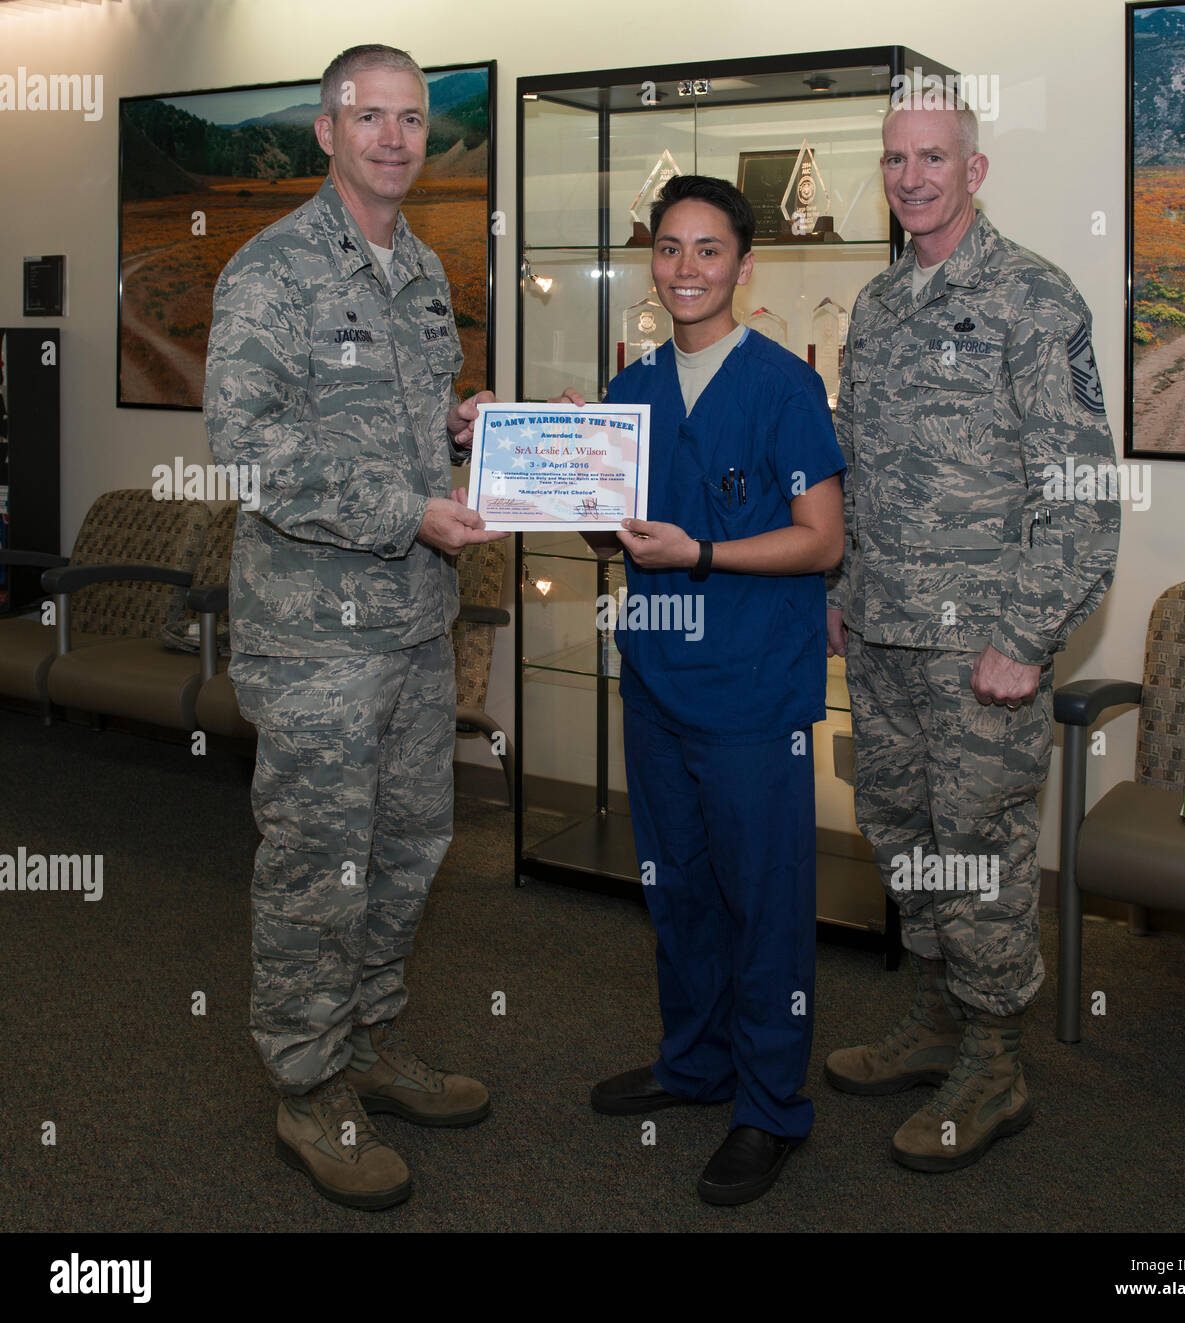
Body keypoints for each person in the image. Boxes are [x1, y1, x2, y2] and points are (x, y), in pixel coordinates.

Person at [205, 44, 506, 1211]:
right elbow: (248, 446)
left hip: (414, 625)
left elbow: (386, 421)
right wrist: (405, 506)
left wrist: (460, 422)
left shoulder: (422, 269)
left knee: (407, 850)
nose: (393, 137)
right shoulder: (272, 270)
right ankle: (304, 1084)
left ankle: (369, 1042)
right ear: (327, 132)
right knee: (316, 870)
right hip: (316, 640)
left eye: (411, 120)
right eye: (367, 117)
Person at [824, 96, 1120, 1171]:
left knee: (981, 850)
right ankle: (940, 1016)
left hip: (983, 647)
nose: (910, 178)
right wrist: (842, 587)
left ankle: (995, 1061)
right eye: (895, 159)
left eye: (932, 158)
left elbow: (1081, 487)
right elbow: (854, 460)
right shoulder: (876, 300)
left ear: (974, 166)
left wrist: (1028, 633)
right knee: (903, 834)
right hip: (887, 632)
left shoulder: (1031, 296)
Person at [558, 174, 845, 1205]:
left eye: (708, 250)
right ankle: (696, 1063)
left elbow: (822, 541)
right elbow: (615, 536)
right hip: (656, 677)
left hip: (752, 695)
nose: (686, 268)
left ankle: (771, 1106)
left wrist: (704, 553)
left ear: (743, 265)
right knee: (674, 890)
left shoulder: (782, 388)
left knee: (762, 905)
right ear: (653, 262)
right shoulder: (631, 391)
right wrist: (568, 469)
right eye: (669, 248)